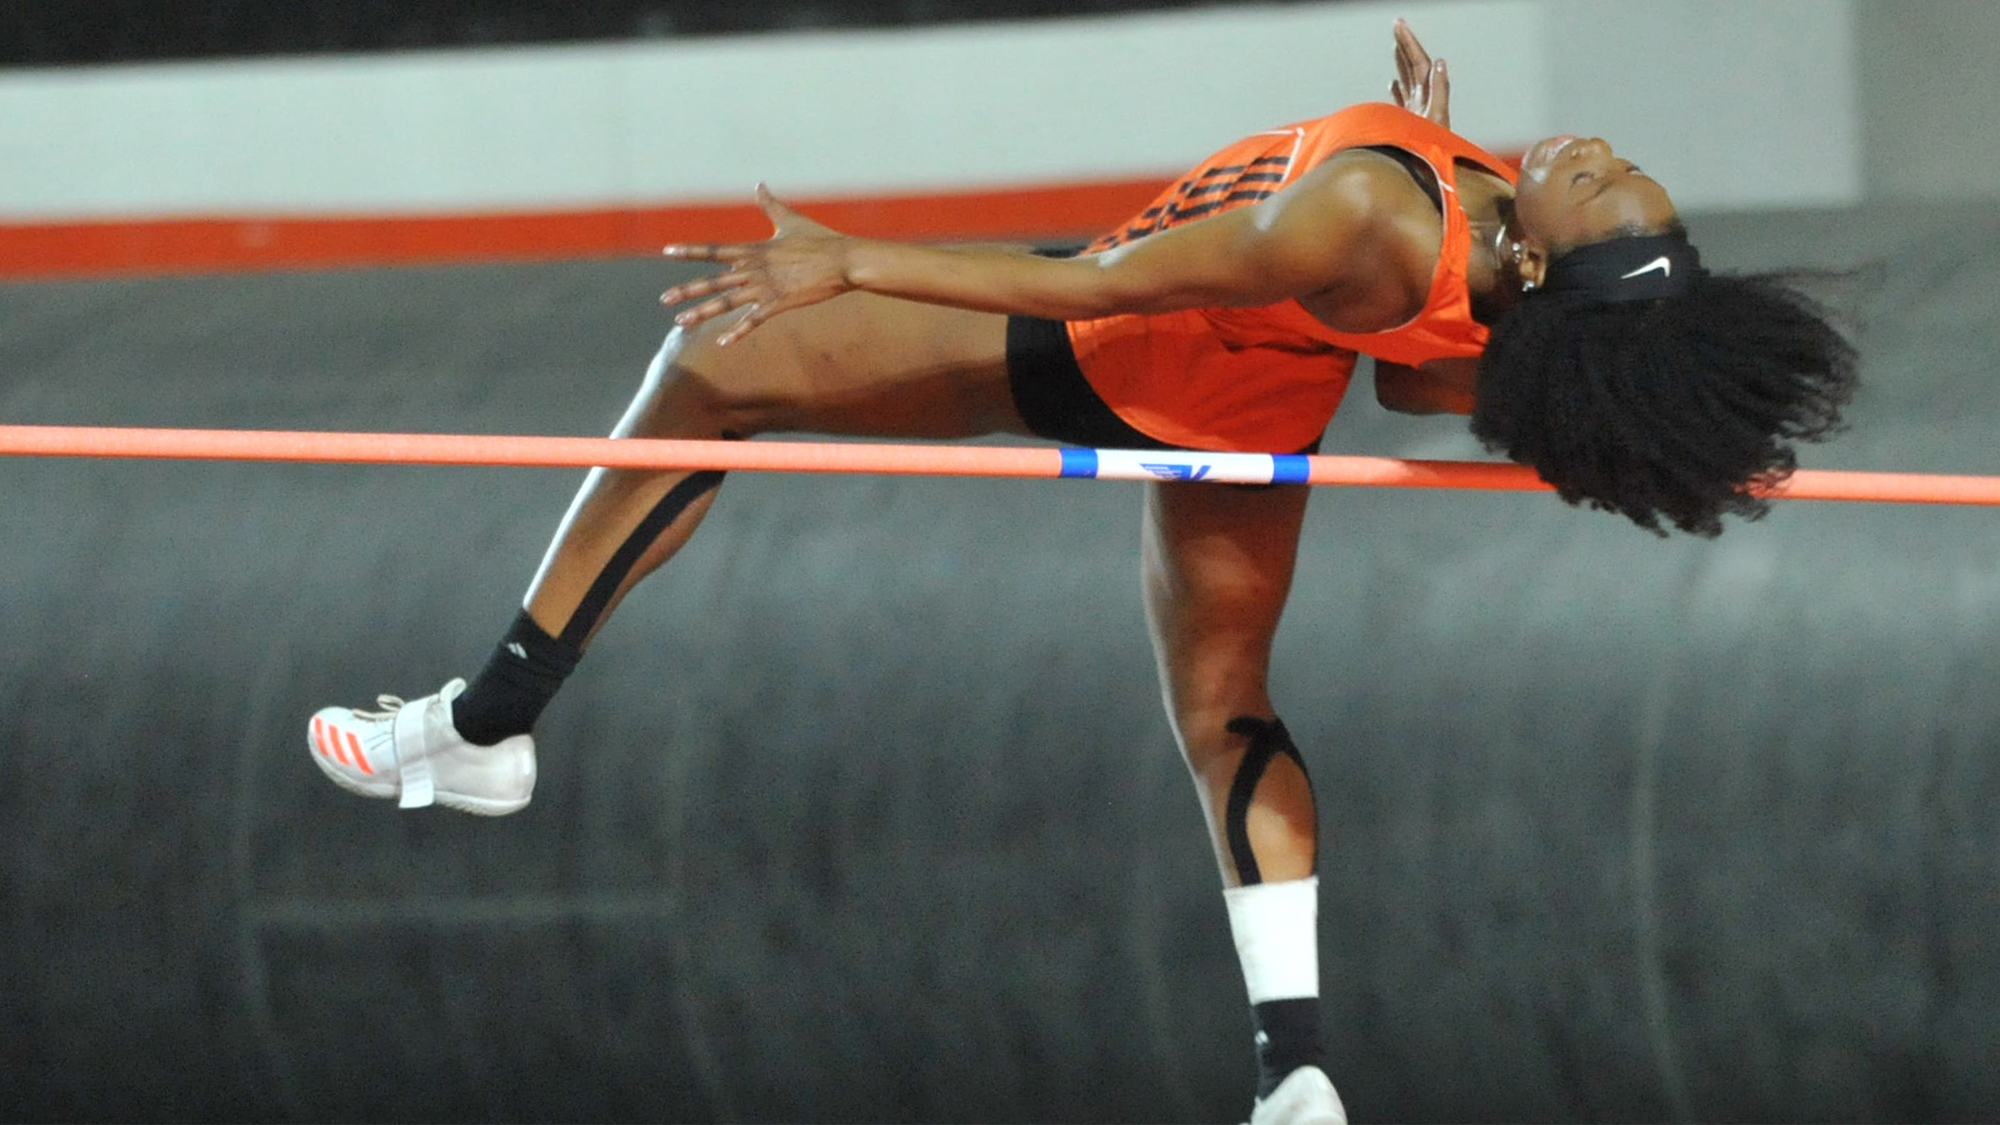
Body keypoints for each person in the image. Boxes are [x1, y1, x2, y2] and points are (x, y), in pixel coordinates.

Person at [304, 20, 1855, 1124]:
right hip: (1253, 406)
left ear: (1533, 266)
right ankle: (1295, 1070)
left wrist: (855, 259)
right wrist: (1443, 163)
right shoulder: (1487, 263)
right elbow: (1402, 375)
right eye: (1625, 169)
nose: (1596, 153)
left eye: (1599, 186)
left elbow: (1103, 280)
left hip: (1116, 356)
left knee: (713, 370)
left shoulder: (1367, 216)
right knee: (1225, 709)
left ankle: (487, 726)